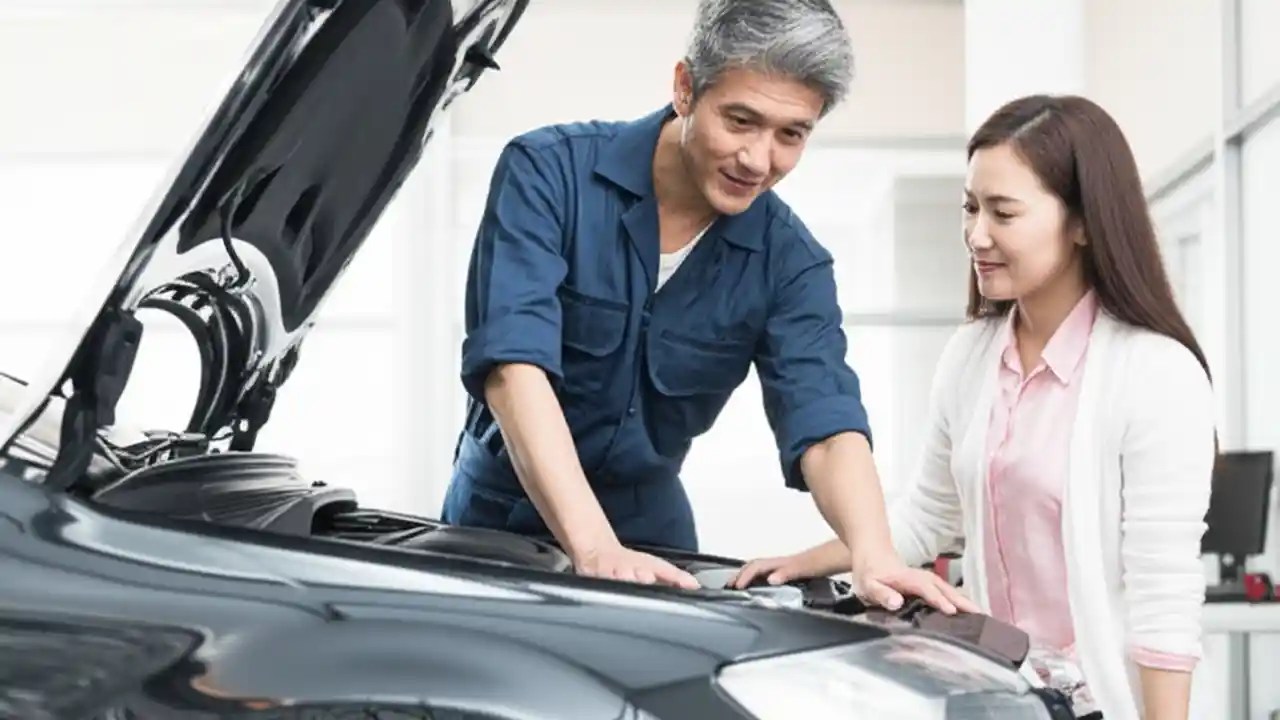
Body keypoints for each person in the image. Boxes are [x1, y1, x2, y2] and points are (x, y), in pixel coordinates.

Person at [441, 0, 973, 614]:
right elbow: (513, 369)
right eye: (741, 120)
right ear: (685, 87)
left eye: (790, 135)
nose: (758, 159)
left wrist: (873, 551)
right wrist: (593, 548)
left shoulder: (792, 262)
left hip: (650, 527)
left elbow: (824, 422)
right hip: (494, 523)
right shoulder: (547, 174)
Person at [730, 94, 1217, 720]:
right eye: (970, 207)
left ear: (1084, 223)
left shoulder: (1154, 371)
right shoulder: (972, 354)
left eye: (1003, 213)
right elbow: (925, 523)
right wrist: (800, 564)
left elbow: (1164, 595)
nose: (975, 234)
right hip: (1001, 697)